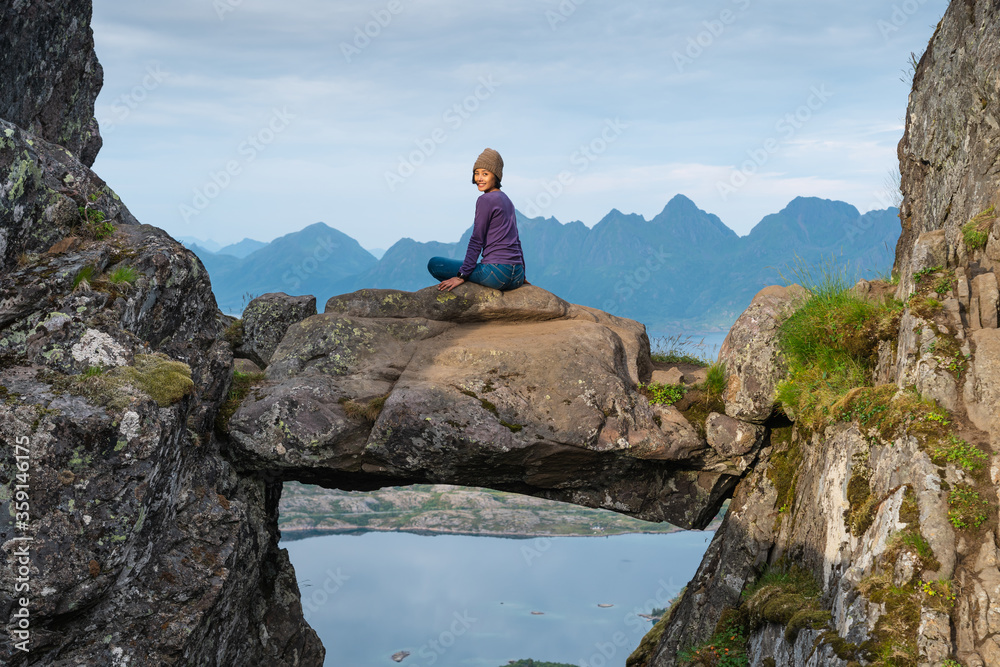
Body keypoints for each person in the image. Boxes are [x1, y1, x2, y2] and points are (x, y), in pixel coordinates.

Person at [428, 148, 527, 292]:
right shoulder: (507, 200)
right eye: (476, 173)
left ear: (496, 176)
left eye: (485, 174)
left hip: (496, 274)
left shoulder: (485, 200)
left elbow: (476, 239)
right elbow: (516, 240)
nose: (479, 178)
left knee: (435, 264)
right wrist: (522, 274)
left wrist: (462, 276)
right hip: (516, 275)